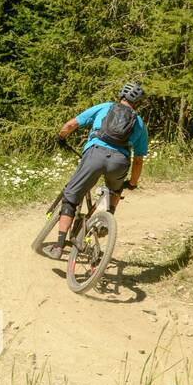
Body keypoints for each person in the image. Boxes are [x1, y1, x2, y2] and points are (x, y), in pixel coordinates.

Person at [49, 81, 148, 260]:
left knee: (71, 196)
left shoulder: (105, 107)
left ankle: (58, 245)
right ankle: (105, 219)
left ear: (121, 96)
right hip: (120, 162)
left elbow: (71, 125)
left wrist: (61, 136)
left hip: (95, 155)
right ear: (137, 103)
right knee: (114, 191)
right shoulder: (139, 123)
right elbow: (139, 161)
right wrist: (132, 183)